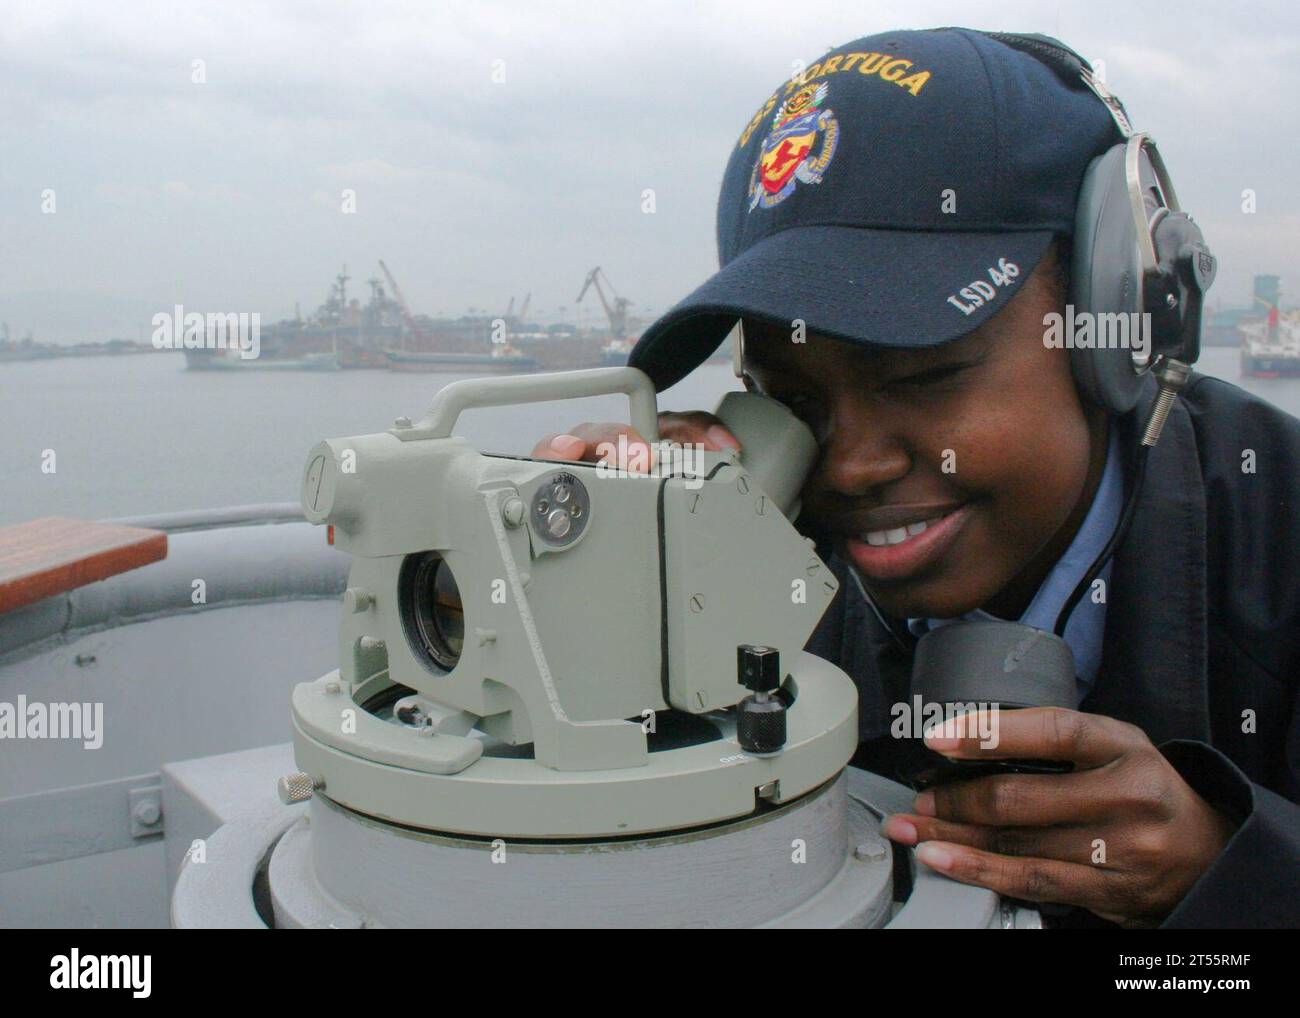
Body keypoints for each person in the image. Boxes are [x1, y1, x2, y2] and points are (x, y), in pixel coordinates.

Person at [531, 27, 1300, 928]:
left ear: (1120, 315)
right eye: (792, 399)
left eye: (926, 374)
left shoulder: (1279, 538)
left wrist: (1238, 880)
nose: (852, 464)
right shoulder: (739, 555)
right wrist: (587, 565)